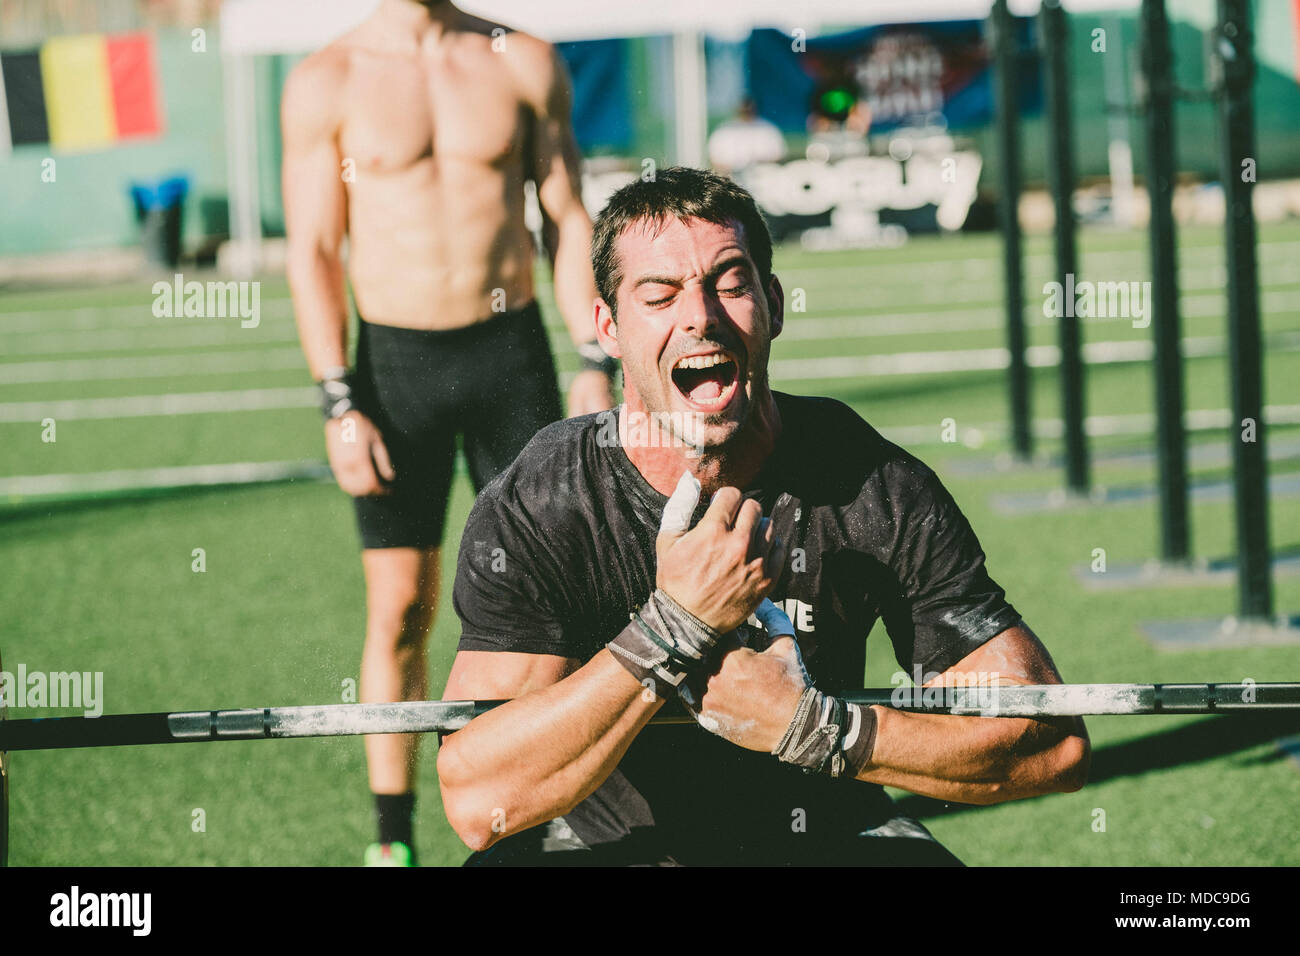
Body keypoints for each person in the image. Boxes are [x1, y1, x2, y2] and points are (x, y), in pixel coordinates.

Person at [436, 167, 1089, 866]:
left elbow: (1050, 741)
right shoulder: (547, 499)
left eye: (730, 282)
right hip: (602, 844)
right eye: (658, 295)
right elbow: (480, 799)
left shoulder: (868, 481)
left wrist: (813, 727)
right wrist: (670, 630)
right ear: (609, 328)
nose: (700, 317)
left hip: (819, 828)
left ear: (773, 305)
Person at [280, 0, 616, 866]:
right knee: (399, 612)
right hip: (395, 374)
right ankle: (392, 838)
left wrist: (592, 353)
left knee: (558, 604)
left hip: (513, 360)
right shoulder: (328, 79)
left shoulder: (522, 60)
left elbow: (568, 213)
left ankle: (563, 810)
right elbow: (314, 247)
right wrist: (336, 399)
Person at [707, 97, 786, 177]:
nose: (747, 112)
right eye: (744, 109)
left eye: (749, 109)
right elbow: (715, 161)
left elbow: (779, 157)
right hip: (732, 179)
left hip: (763, 178)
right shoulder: (724, 131)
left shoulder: (768, 129)